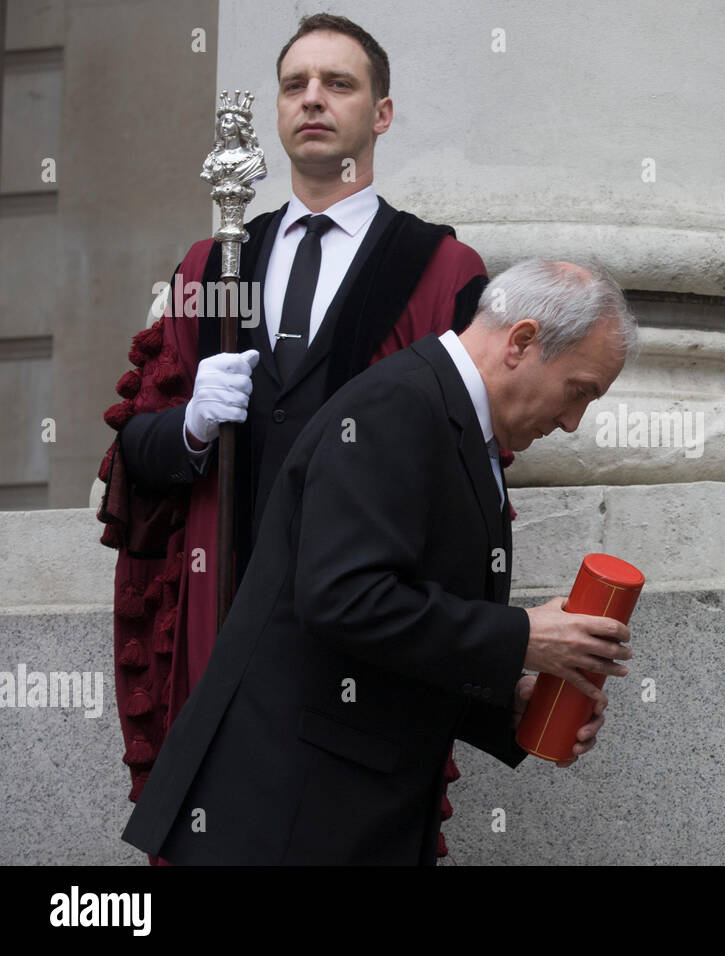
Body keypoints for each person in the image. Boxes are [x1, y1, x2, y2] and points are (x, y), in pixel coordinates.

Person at [96, 13, 490, 861]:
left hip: (357, 625)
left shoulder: (441, 270)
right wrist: (192, 425)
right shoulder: (211, 268)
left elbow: (474, 469)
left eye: (338, 84)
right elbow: (136, 455)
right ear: (277, 113)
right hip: (226, 606)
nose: (313, 100)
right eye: (294, 85)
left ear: (381, 114)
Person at [121, 259, 637, 864]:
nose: (573, 422)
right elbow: (343, 599)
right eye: (579, 391)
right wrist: (523, 635)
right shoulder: (398, 403)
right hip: (290, 816)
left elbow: (389, 638)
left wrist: (510, 698)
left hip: (337, 810)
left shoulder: (448, 413)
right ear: (522, 341)